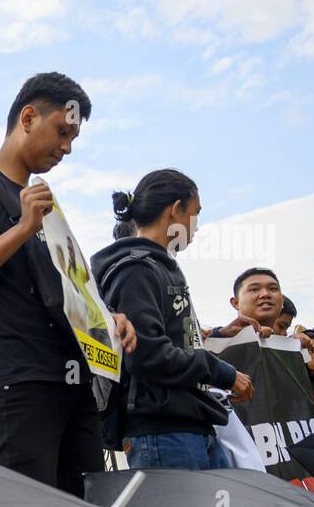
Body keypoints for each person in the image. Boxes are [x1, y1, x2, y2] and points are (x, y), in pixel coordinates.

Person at [0, 72, 136, 501]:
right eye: (62, 131)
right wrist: (23, 226)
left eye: (73, 138)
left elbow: (72, 294)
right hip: (19, 379)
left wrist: (109, 319)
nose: (66, 148)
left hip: (75, 380)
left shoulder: (50, 212)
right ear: (28, 117)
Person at [93, 169, 254, 470]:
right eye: (195, 213)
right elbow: (147, 354)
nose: (196, 226)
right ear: (175, 209)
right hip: (162, 431)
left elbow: (179, 342)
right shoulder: (137, 270)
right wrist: (222, 372)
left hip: (189, 424)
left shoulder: (159, 267)